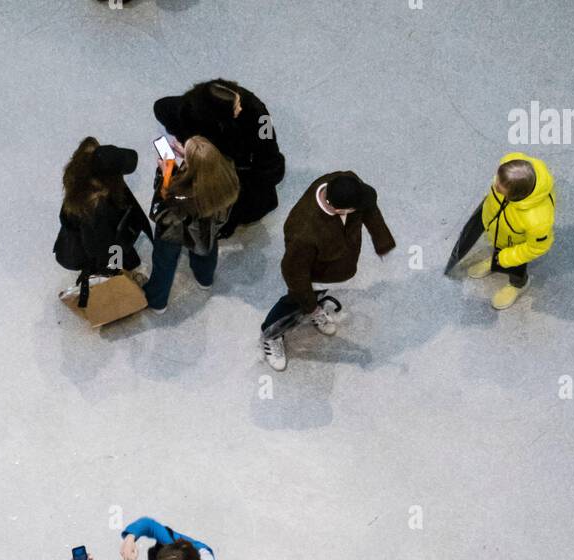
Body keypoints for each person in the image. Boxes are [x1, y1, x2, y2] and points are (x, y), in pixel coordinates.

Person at [260, 171, 396, 372]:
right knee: (295, 301)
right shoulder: (303, 231)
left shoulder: (346, 181)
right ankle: (271, 334)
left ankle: (314, 303)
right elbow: (294, 273)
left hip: (335, 264)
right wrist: (310, 306)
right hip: (313, 273)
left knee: (319, 293)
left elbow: (368, 206)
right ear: (339, 208)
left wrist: (382, 240)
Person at [153, 78, 284, 237]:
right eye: (235, 106)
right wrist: (191, 147)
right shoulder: (193, 108)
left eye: (238, 101)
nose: (240, 107)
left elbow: (269, 159)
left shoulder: (258, 114)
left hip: (240, 170)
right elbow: (162, 108)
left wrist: (195, 157)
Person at [143, 136, 239, 313]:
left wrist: (165, 176)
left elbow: (160, 212)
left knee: (165, 262)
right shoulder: (227, 172)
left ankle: (158, 301)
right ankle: (204, 280)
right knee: (207, 250)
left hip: (175, 229)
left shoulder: (182, 195)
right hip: (208, 225)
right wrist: (189, 157)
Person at [54, 137, 151, 305]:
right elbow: (102, 247)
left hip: (74, 236)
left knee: (116, 239)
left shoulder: (84, 165)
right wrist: (114, 269)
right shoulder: (96, 208)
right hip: (82, 248)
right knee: (112, 249)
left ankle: (125, 264)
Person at [452, 153, 555, 310]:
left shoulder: (537, 220)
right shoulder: (510, 164)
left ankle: (518, 285)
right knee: (497, 247)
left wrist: (507, 257)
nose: (495, 184)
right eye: (497, 178)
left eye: (500, 187)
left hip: (514, 244)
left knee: (515, 266)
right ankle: (496, 261)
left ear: (515, 196)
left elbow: (537, 247)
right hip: (498, 228)